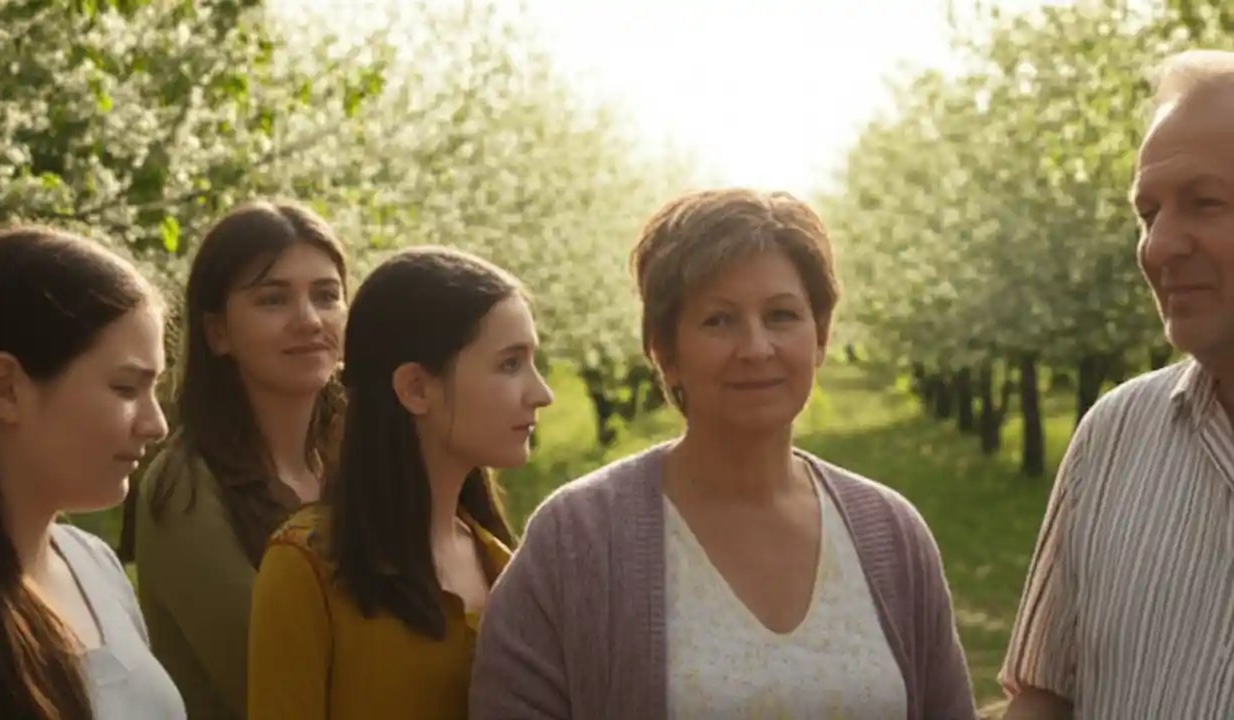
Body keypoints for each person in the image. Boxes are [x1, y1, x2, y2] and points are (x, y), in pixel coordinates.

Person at [469, 188, 976, 719]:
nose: (756, 348)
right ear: (664, 352)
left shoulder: (892, 535)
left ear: (821, 337)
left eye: (782, 316)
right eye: (718, 320)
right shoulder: (577, 541)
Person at [1000, 49, 1234, 719]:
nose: (1158, 247)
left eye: (1203, 203)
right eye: (1148, 213)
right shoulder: (1113, 436)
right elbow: (1043, 698)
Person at [248, 245, 554, 719]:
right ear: (415, 388)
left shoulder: (504, 565)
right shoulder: (308, 565)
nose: (542, 393)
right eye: (510, 364)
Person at [0, 228, 184, 719]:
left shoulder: (94, 563)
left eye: (154, 389)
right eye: (125, 388)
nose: (156, 424)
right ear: (6, 389)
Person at [132, 201, 348, 719]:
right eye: (273, 300)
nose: (309, 320)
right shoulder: (183, 488)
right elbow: (270, 681)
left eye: (327, 295)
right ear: (217, 332)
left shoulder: (362, 460)